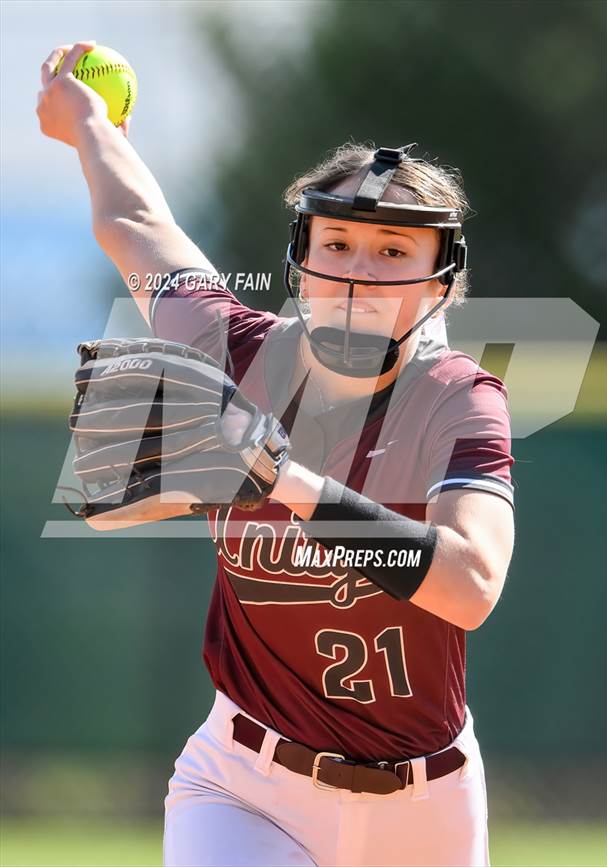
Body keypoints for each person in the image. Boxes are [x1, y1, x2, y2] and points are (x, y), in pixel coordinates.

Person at [38, 42, 516, 867]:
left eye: (394, 252)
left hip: (426, 802)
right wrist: (88, 125)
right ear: (301, 256)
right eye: (337, 243)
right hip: (243, 784)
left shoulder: (457, 398)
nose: (358, 272)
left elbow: (471, 586)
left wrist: (283, 478)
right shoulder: (233, 348)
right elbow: (139, 227)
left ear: (441, 281)